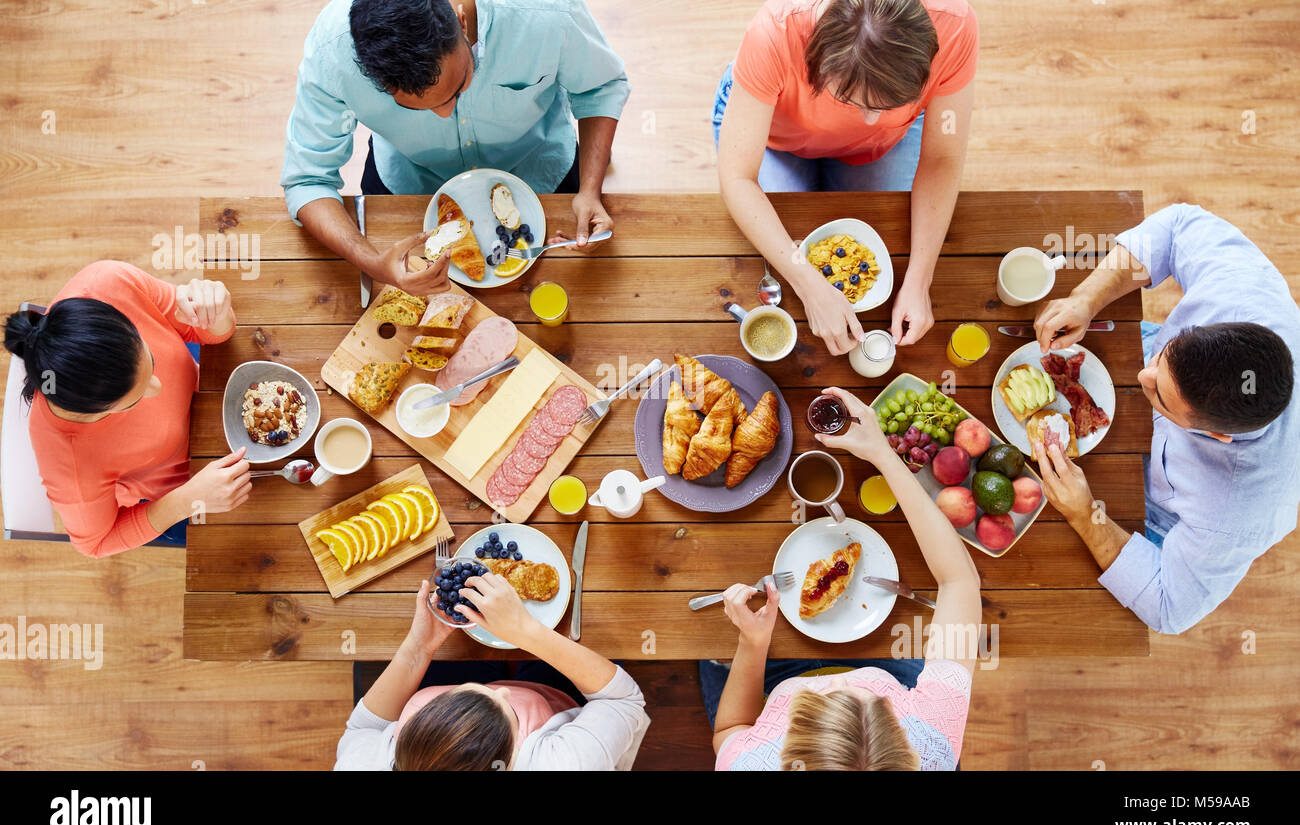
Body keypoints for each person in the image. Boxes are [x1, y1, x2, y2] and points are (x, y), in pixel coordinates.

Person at [1030, 204, 1299, 635]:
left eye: (1159, 395)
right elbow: (1175, 228)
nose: (1141, 377)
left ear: (1214, 434)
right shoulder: (1245, 292)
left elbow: (1169, 607)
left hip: (1168, 502)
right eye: (1163, 358)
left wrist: (1085, 514)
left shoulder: (1235, 513)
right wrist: (1086, 298)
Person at [704, 386, 981, 770]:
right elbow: (960, 583)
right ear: (904, 741)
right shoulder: (932, 738)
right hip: (892, 660)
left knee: (710, 651)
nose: (840, 678)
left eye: (822, 694)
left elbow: (731, 729)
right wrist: (884, 454)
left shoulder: (748, 763)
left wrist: (752, 642)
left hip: (769, 675)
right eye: (874, 698)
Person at [282, 0, 630, 296]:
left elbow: (599, 87)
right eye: (414, 108)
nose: (445, 113)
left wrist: (589, 190)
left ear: (461, 21)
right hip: (406, 186)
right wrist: (373, 262)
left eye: (458, 85)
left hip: (542, 170)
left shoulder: (544, 11)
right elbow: (307, 181)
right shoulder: (333, 52)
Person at [715, 0, 978, 355]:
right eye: (851, 101)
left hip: (886, 145)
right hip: (776, 138)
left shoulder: (956, 25)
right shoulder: (774, 32)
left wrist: (919, 279)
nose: (870, 121)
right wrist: (808, 283)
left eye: (886, 106)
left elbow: (943, 157)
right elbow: (737, 177)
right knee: (779, 237)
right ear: (819, 57)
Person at [3, 261, 249, 558]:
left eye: (151, 361)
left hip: (223, 395)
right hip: (203, 480)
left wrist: (215, 313)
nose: (159, 388)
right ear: (92, 415)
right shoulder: (71, 462)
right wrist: (187, 501)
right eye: (134, 400)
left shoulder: (109, 283)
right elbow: (96, 543)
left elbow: (213, 334)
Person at [336, 574, 650, 770]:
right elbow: (623, 700)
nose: (502, 689)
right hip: (558, 703)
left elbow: (363, 728)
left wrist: (419, 647)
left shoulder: (363, 764)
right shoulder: (565, 763)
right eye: (507, 709)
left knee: (466, 646)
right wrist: (526, 632)